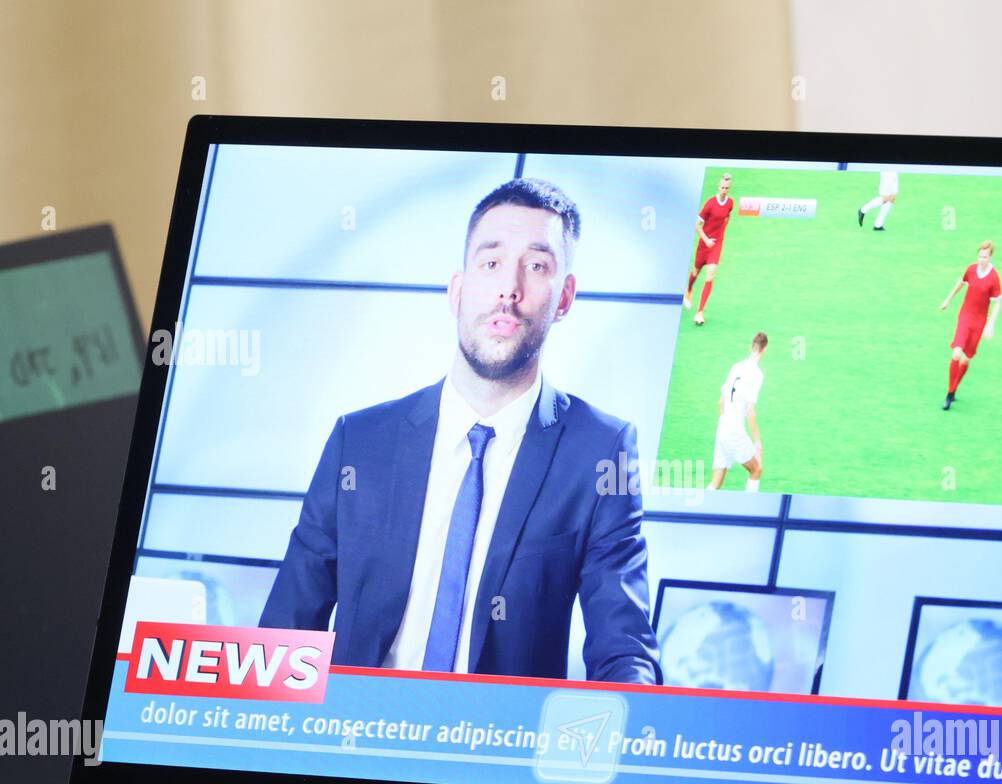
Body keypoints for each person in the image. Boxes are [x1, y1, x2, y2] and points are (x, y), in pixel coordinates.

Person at [261, 178, 661, 685]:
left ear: (564, 298)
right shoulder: (358, 442)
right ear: (457, 289)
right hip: (351, 742)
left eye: (536, 267)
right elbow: (287, 630)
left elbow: (623, 644)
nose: (508, 290)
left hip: (496, 748)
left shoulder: (601, 451)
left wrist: (628, 721)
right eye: (491, 263)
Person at [939, 239, 1002, 410]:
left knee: (966, 359)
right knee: (956, 354)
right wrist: (947, 301)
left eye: (985, 257)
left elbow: (997, 303)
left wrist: (990, 325)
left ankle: (954, 389)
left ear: (990, 257)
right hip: (965, 316)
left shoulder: (994, 277)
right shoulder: (971, 269)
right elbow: (959, 284)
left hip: (979, 322)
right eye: (980, 256)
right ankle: (949, 393)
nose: (982, 259)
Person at [705, 332, 767, 492]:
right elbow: (750, 412)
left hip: (722, 428)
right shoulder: (757, 375)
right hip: (734, 432)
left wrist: (725, 425)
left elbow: (721, 401)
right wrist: (758, 442)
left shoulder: (736, 366)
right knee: (756, 470)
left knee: (715, 482)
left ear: (750, 347)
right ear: (764, 350)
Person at [683, 172, 735, 326]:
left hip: (716, 245)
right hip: (704, 244)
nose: (724, 190)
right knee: (695, 272)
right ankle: (689, 290)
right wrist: (706, 240)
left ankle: (700, 312)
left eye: (727, 188)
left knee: (710, 275)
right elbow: (697, 225)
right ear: (718, 187)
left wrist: (720, 236)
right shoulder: (710, 204)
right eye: (722, 187)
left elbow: (727, 217)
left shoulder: (730, 202)